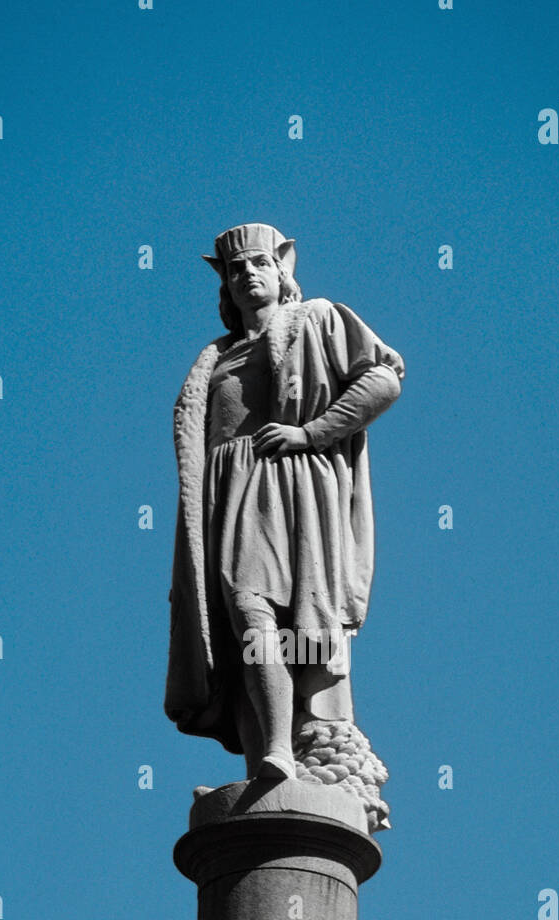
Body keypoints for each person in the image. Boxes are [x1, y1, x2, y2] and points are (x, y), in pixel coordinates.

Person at [165, 222, 404, 781]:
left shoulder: (318, 319)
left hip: (286, 491)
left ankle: (279, 748)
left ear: (282, 272)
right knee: (229, 638)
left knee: (255, 611)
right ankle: (265, 768)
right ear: (224, 285)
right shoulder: (215, 356)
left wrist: (314, 432)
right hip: (222, 501)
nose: (248, 275)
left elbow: (384, 378)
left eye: (259, 265)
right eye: (236, 269)